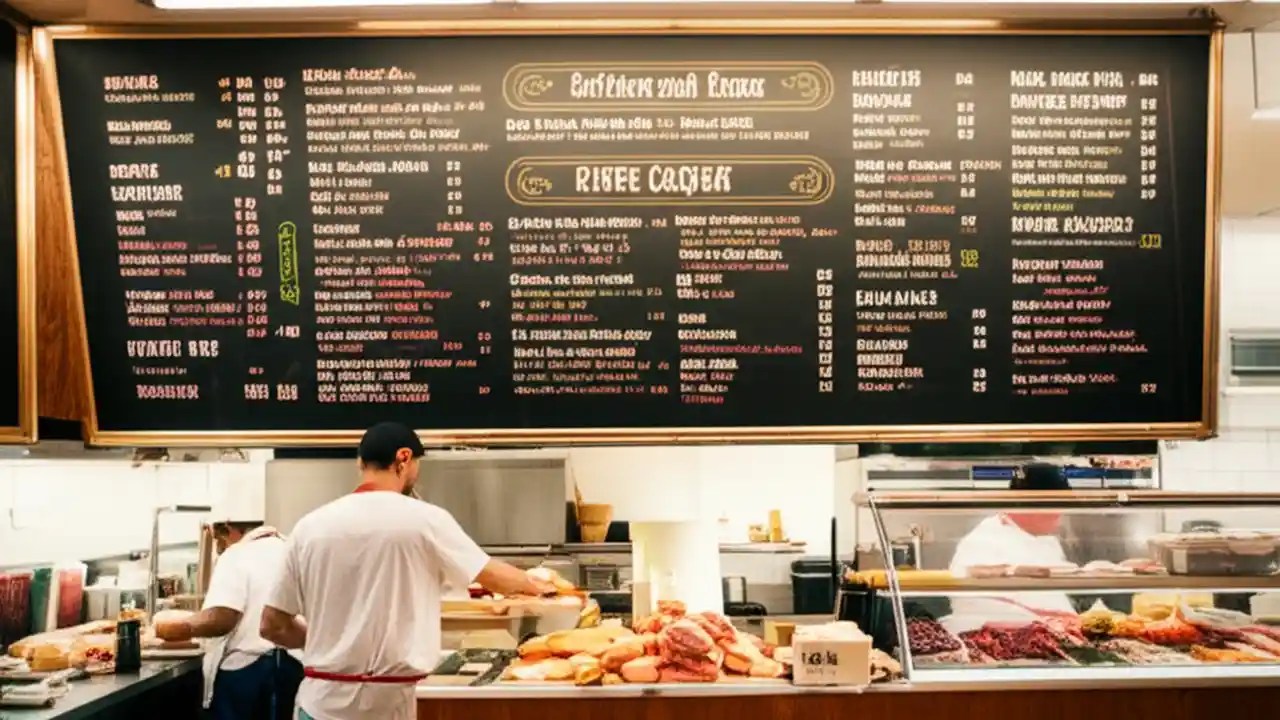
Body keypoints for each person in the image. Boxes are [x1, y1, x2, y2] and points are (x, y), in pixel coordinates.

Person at [260, 421, 554, 720]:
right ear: (403, 458)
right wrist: (544, 588)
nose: (417, 472)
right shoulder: (426, 520)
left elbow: (271, 624)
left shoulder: (309, 527)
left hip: (321, 705)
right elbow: (492, 576)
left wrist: (331, 640)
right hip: (393, 706)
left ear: (361, 463)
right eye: (417, 464)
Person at [155, 520, 303, 720]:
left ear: (229, 530)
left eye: (218, 539)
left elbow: (222, 618)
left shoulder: (236, 555)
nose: (218, 547)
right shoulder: (292, 549)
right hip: (293, 667)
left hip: (247, 673)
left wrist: (176, 627)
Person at [945, 463, 1076, 631]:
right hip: (1014, 643)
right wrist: (1045, 620)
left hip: (1058, 638)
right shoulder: (983, 540)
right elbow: (972, 606)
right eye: (1056, 505)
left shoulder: (1048, 540)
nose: (1060, 514)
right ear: (1030, 504)